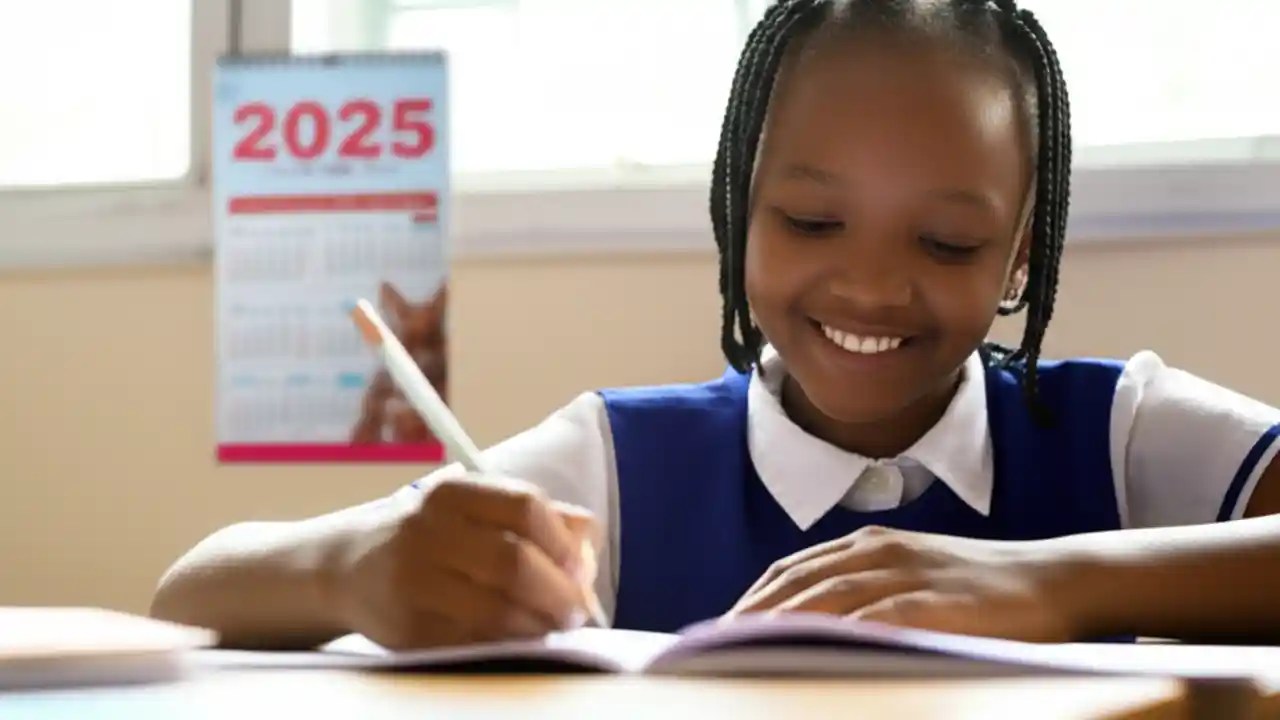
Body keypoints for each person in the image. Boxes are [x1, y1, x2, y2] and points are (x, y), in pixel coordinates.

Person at [151, 0, 1280, 650]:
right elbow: (191, 589)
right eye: (809, 219)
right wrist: (359, 570)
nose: (872, 289)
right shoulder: (621, 462)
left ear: (1019, 255)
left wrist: (1053, 584)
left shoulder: (1116, 435)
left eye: (944, 244)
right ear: (739, 206)